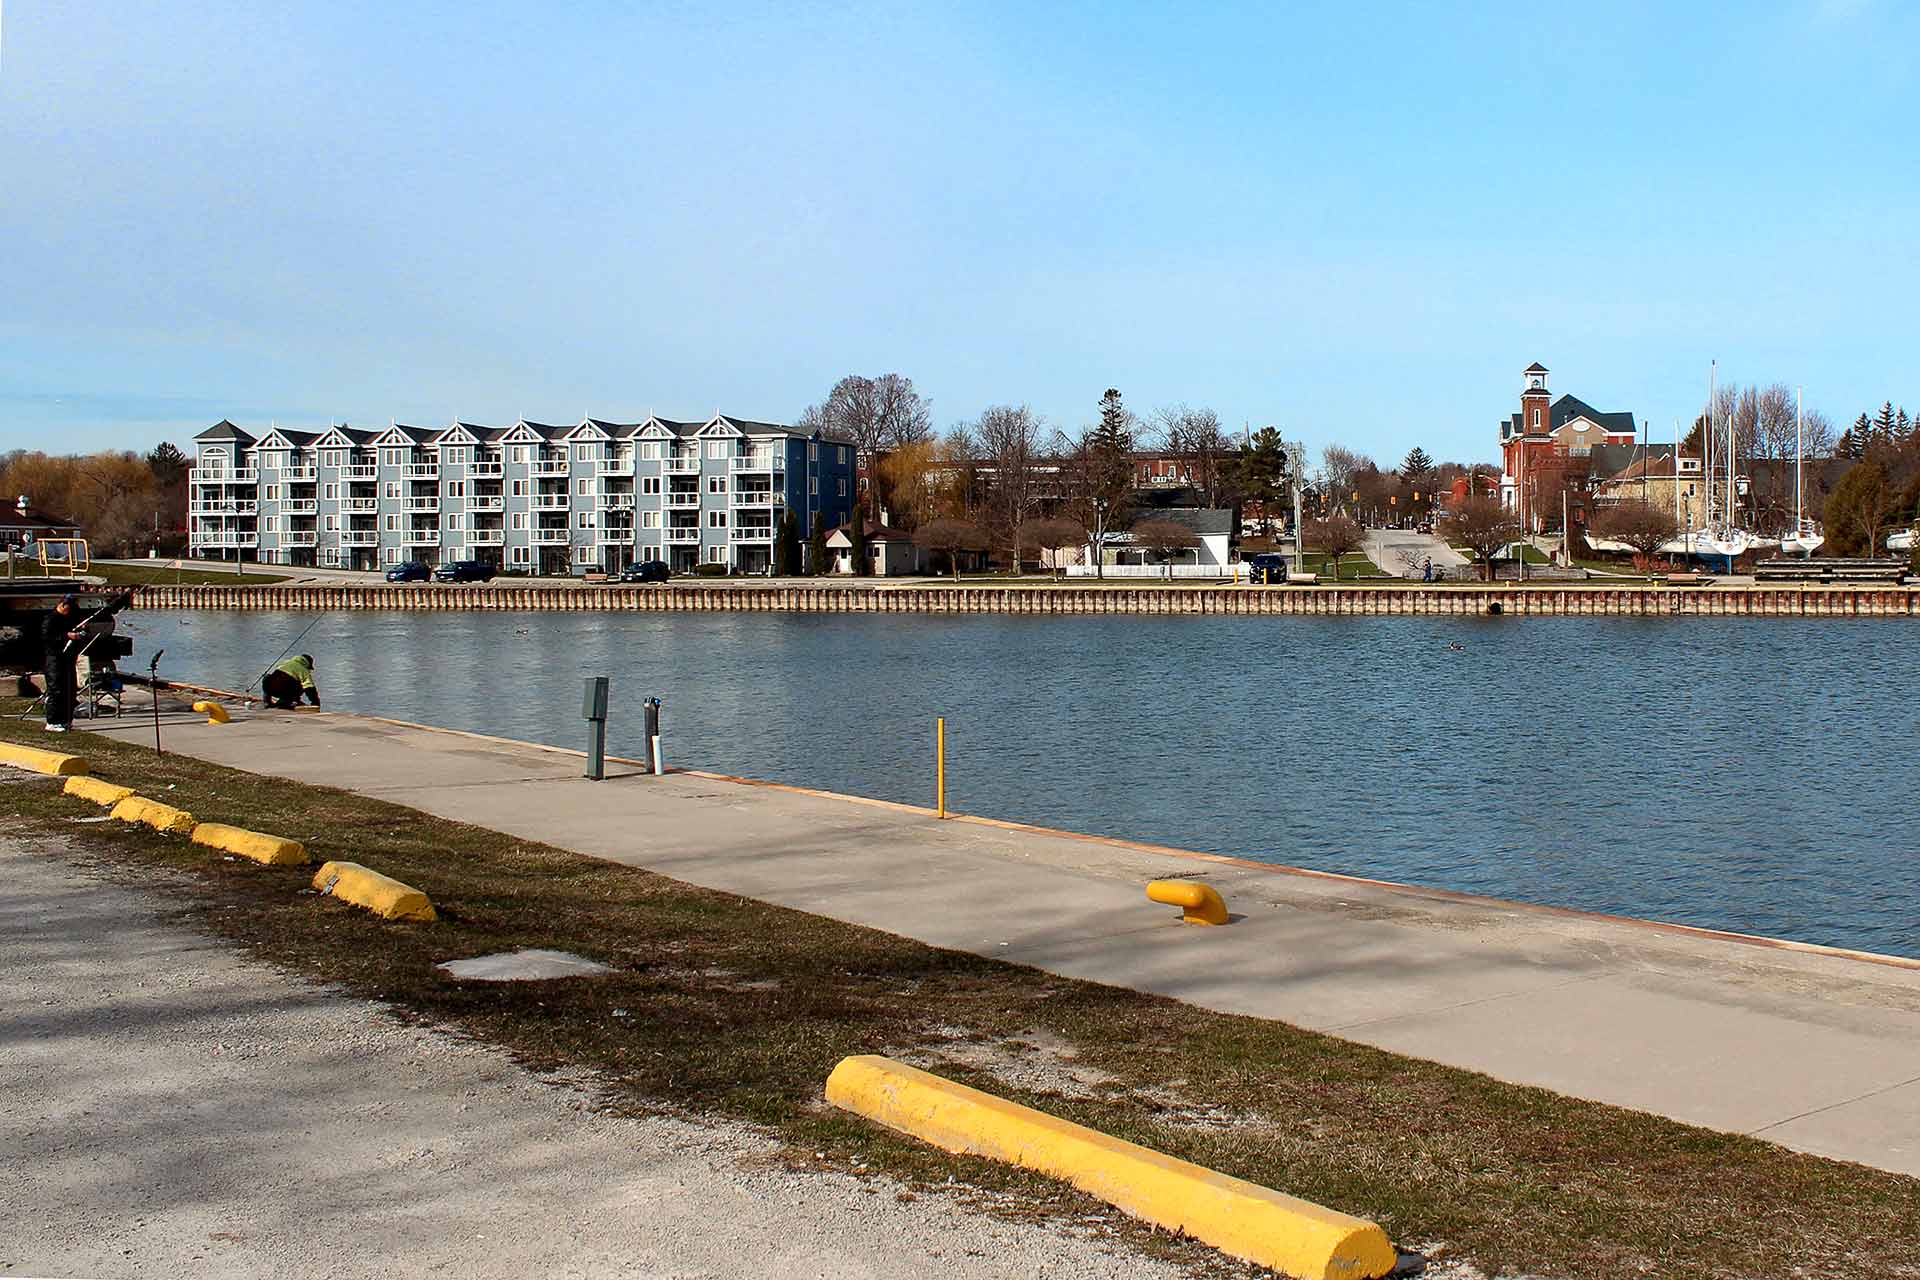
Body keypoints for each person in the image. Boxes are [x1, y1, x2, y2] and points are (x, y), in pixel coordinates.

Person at [41, 595, 84, 732]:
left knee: (70, 690)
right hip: (54, 659)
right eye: (70, 609)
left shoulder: (70, 618)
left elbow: (79, 630)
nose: (71, 613)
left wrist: (82, 628)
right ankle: (52, 722)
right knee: (56, 690)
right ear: (63, 606)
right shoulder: (50, 619)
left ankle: (66, 720)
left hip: (67, 658)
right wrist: (66, 636)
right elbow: (48, 638)